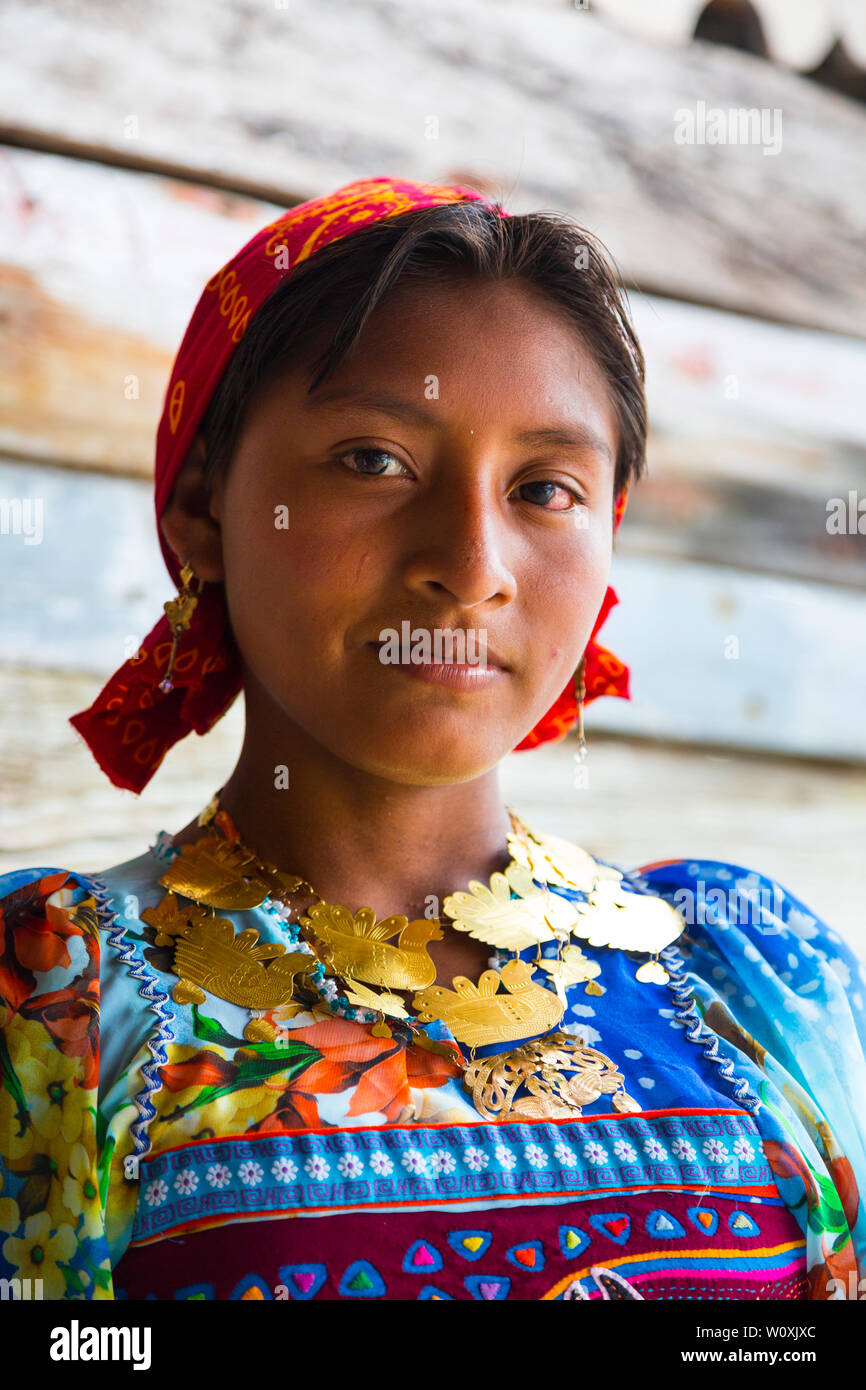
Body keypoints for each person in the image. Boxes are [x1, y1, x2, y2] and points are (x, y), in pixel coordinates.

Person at [1, 177, 863, 1303]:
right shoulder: (55, 1005)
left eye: (543, 488)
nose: (470, 563)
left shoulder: (754, 981)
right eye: (374, 460)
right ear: (204, 510)